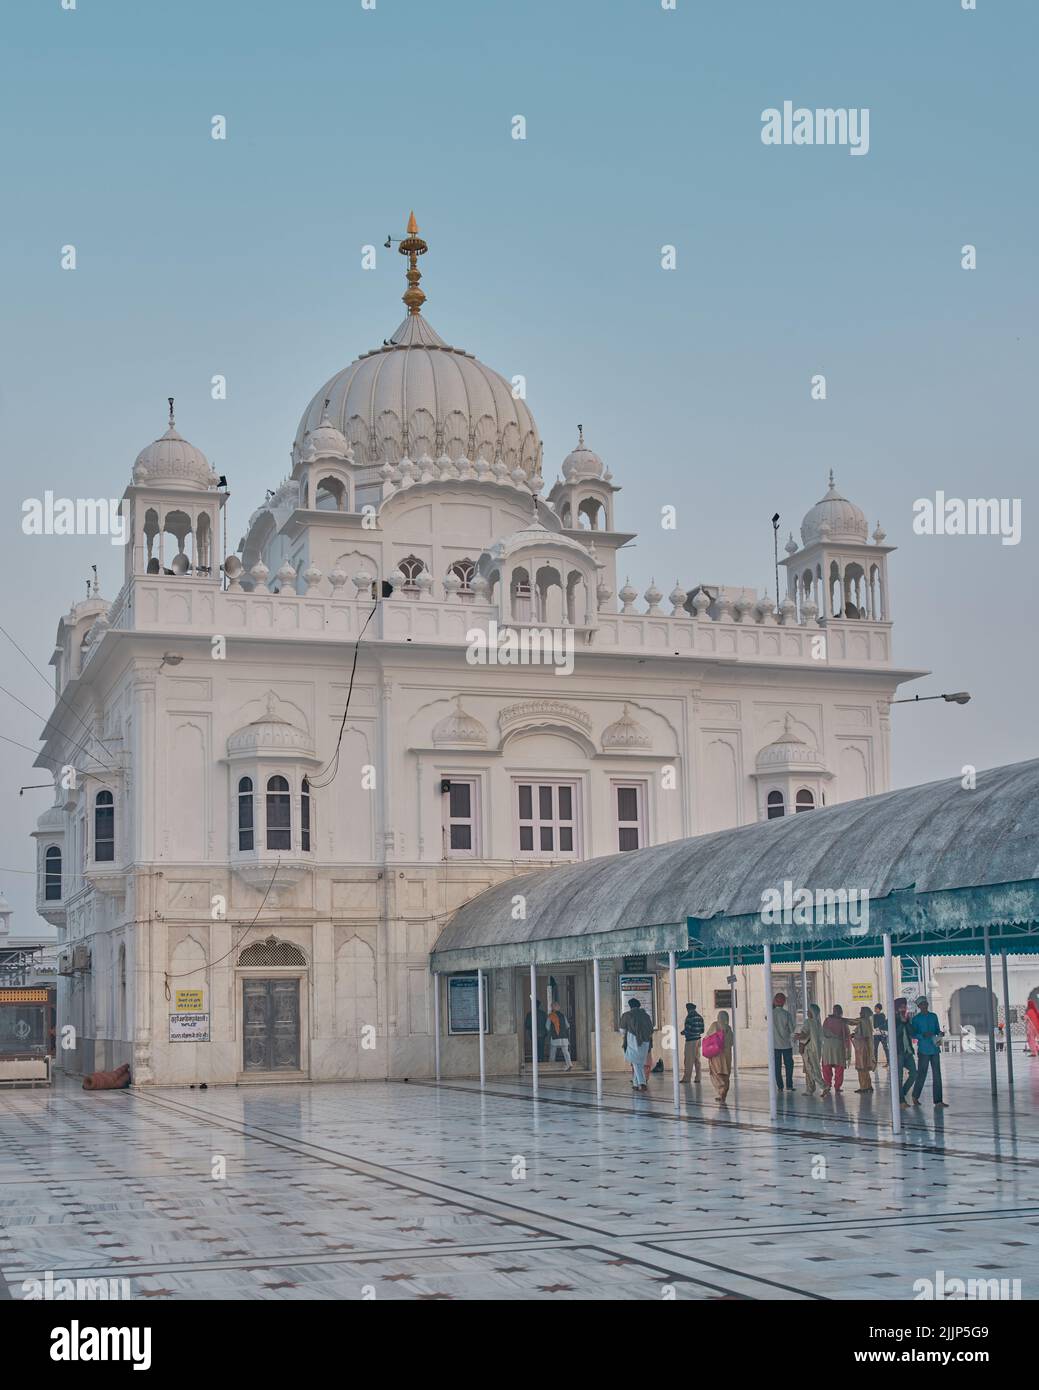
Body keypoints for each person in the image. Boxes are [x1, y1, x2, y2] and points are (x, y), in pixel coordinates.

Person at [910, 996, 948, 1107]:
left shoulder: (933, 1016)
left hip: (935, 1048)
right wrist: (922, 1035)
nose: (924, 1006)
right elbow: (913, 1034)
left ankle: (938, 1101)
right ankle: (915, 1096)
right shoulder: (916, 1019)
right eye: (922, 1004)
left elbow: (936, 1030)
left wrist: (940, 1033)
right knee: (922, 1073)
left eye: (925, 1003)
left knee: (937, 1075)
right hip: (923, 1050)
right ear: (919, 1006)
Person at [619, 997, 654, 1091]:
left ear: (630, 1006)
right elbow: (651, 1029)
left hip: (632, 1040)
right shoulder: (646, 1015)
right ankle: (635, 1083)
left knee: (635, 1062)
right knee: (639, 1062)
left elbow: (622, 1030)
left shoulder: (627, 1015)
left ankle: (642, 1083)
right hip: (646, 1041)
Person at [820, 1004, 852, 1095]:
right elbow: (846, 1035)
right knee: (839, 1067)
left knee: (827, 1066)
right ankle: (837, 1086)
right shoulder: (842, 1022)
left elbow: (823, 1032)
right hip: (838, 1046)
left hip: (827, 1046)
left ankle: (827, 1085)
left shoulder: (827, 1020)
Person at [795, 1002, 825, 1095]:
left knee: (810, 1069)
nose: (807, 1012)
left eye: (809, 1011)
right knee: (815, 1068)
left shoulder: (808, 1022)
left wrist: (796, 1036)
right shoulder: (818, 1023)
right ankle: (810, 1088)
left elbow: (804, 1034)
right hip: (817, 1050)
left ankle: (822, 1086)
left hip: (808, 1050)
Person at [705, 1009, 734, 1103]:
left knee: (716, 1073)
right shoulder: (728, 1028)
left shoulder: (715, 1025)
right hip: (727, 1056)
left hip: (716, 1055)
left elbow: (707, 1037)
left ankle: (721, 1092)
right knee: (725, 1074)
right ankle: (723, 1094)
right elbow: (731, 1042)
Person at [893, 997, 917, 1106]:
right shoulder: (893, 1019)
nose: (904, 1009)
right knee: (899, 1076)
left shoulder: (907, 1019)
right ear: (897, 1008)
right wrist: (901, 1023)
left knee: (914, 1074)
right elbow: (894, 1035)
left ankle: (901, 1093)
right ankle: (901, 1100)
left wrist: (906, 1022)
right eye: (901, 1007)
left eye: (905, 1007)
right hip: (898, 1052)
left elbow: (912, 1033)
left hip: (908, 1051)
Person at [771, 991, 795, 1091]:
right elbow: (792, 1029)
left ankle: (780, 1086)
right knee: (789, 1066)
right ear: (784, 1002)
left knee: (777, 1066)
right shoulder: (787, 1014)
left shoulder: (770, 1014)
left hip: (775, 1045)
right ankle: (789, 1085)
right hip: (786, 1045)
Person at [680, 1002, 705, 1083]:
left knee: (688, 1060)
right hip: (698, 1040)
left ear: (688, 1009)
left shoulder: (690, 1017)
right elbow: (702, 1030)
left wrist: (683, 1032)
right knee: (697, 1059)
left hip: (690, 1041)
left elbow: (687, 1029)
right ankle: (698, 1077)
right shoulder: (699, 1017)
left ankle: (687, 1078)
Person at [852, 1006, 875, 1093]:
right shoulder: (866, 1021)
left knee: (861, 1068)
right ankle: (868, 1086)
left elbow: (851, 1021)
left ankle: (864, 1087)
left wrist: (839, 1019)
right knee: (864, 1068)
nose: (860, 1013)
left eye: (861, 1012)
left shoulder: (863, 1021)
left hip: (862, 1048)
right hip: (863, 1047)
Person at [546, 999, 574, 1070]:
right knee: (566, 1052)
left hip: (555, 1037)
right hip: (564, 1037)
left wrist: (552, 1031)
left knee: (553, 1051)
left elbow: (547, 1026)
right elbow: (568, 1026)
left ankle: (551, 1065)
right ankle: (569, 1064)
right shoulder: (563, 1016)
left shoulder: (551, 1016)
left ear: (552, 1007)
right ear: (559, 1008)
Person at [523, 998, 548, 1063]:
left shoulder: (529, 1014)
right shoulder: (543, 1014)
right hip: (542, 1034)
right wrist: (546, 1032)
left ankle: (535, 1061)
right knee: (541, 1048)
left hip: (533, 1034)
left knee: (535, 1048)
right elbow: (547, 1024)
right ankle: (541, 1060)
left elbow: (527, 1025)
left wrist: (529, 1030)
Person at [872, 1003, 889, 1068]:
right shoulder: (874, 1016)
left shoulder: (882, 1015)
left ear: (879, 1009)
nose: (875, 1010)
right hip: (876, 1034)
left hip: (882, 1034)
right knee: (875, 1049)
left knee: (885, 1048)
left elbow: (884, 1024)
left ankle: (888, 1062)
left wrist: (879, 1028)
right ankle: (875, 1062)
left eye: (876, 1008)